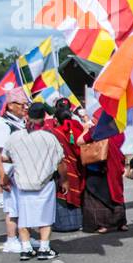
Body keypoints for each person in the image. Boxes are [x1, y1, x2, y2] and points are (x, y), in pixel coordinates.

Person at [2, 103, 68, 260]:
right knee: (45, 217)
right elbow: (60, 161)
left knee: (24, 217)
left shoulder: (15, 137)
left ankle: (26, 248)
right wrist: (65, 181)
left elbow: (4, 157)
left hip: (22, 184)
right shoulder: (49, 138)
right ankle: (44, 248)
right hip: (44, 183)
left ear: (27, 116)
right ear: (44, 118)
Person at [0, 92, 28, 252]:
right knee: (13, 208)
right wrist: (2, 176)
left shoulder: (19, 123)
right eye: (21, 105)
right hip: (10, 173)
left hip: (22, 172)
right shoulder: (4, 125)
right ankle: (11, 239)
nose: (25, 108)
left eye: (26, 105)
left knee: (23, 207)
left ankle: (23, 236)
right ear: (10, 105)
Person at [45, 98, 85, 232]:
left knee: (63, 191)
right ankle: (79, 221)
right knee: (77, 190)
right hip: (77, 164)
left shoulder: (55, 131)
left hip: (63, 165)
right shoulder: (78, 124)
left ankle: (65, 224)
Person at [78, 126, 127, 234]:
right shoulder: (119, 131)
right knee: (115, 193)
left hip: (97, 166)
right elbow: (119, 143)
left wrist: (86, 130)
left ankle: (103, 225)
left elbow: (79, 141)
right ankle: (121, 222)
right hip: (113, 166)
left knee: (97, 196)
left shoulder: (96, 130)